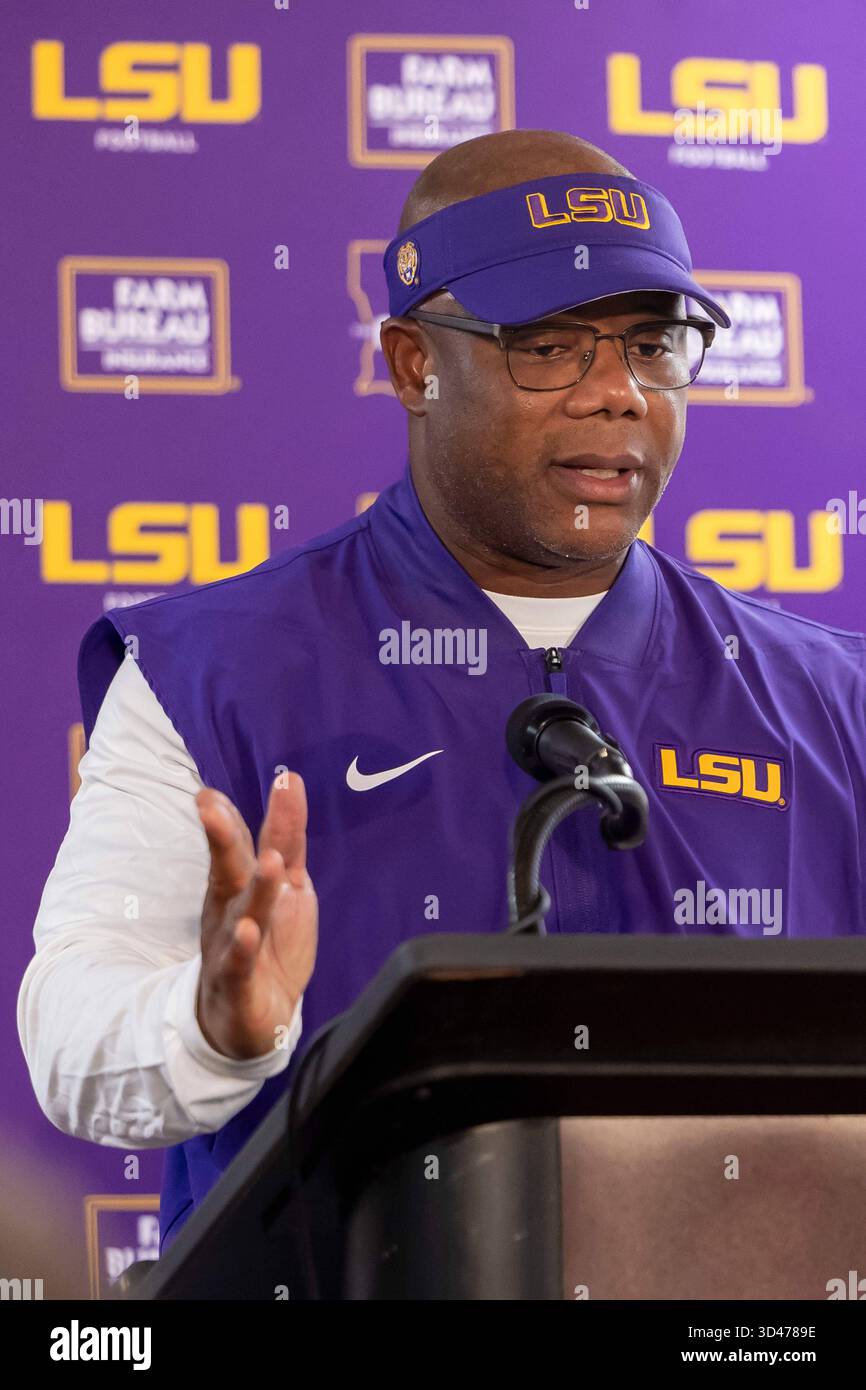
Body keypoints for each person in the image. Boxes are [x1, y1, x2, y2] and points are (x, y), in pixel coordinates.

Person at [18, 130, 866, 1254]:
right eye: (551, 347)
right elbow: (72, 1035)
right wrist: (214, 1027)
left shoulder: (832, 698)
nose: (618, 395)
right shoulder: (205, 669)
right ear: (414, 363)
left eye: (652, 346)